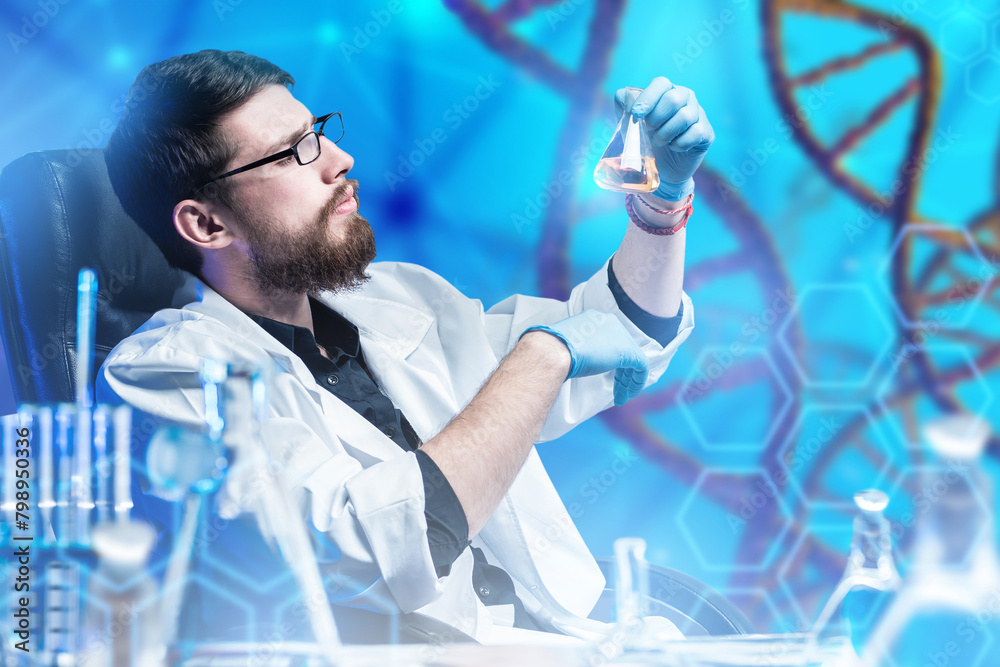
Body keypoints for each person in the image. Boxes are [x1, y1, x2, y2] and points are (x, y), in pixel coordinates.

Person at [96, 49, 713, 644]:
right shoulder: (167, 376)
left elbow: (619, 338)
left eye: (319, 130)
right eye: (293, 153)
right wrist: (540, 358)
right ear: (208, 225)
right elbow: (377, 550)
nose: (339, 159)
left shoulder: (399, 301)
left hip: (557, 639)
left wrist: (660, 206)